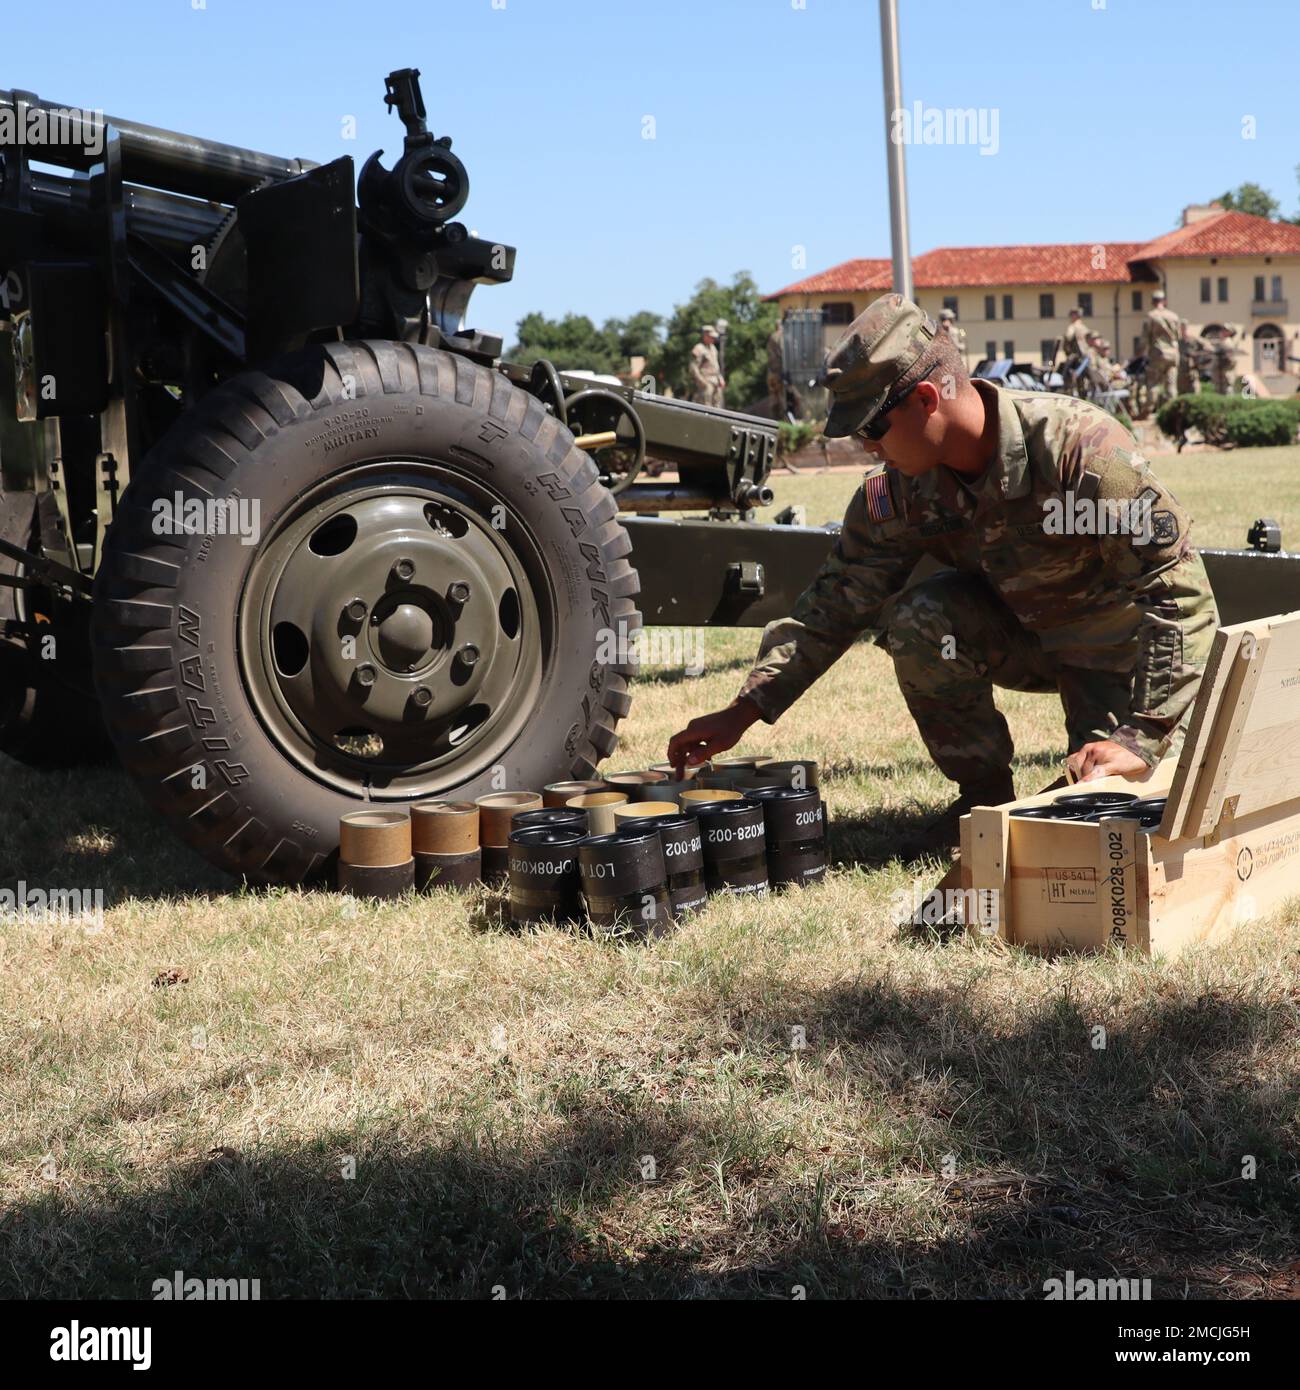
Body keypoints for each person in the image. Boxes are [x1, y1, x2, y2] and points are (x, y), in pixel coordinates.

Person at [666, 293, 1218, 854]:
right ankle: (981, 798)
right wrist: (746, 709)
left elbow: (1179, 594)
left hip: (1114, 656)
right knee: (919, 618)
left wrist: (1142, 734)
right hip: (1023, 640)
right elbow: (838, 601)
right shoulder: (904, 488)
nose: (867, 448)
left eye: (872, 428)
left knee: (1099, 818)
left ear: (926, 399)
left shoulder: (1083, 452)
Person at [1143, 289, 1182, 412]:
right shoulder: (1174, 316)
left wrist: (1138, 354)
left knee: (1153, 383)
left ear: (1152, 302)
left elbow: (1144, 338)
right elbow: (1179, 336)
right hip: (1173, 355)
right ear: (1164, 301)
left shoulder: (1151, 316)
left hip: (1158, 353)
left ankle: (1149, 411)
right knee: (1171, 384)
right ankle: (1172, 411)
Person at [690, 324, 725, 406]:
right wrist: (702, 382)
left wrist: (720, 378)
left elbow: (715, 366)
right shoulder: (699, 348)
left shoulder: (713, 348)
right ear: (705, 336)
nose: (713, 339)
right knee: (706, 407)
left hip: (716, 382)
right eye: (711, 337)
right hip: (706, 382)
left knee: (717, 408)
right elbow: (693, 367)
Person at [1061, 307, 1092, 396]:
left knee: (1068, 383)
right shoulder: (1085, 328)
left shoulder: (1073, 326)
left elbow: (1068, 336)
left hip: (1076, 359)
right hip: (1086, 358)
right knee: (1083, 385)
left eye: (1072, 315)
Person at [1178, 321, 1210, 395]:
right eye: (1181, 328)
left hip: (1192, 371)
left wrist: (1196, 356)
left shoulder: (1194, 340)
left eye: (1184, 327)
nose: (1183, 330)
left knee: (1195, 392)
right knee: (1181, 394)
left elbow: (1208, 349)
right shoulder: (1178, 341)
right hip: (1181, 373)